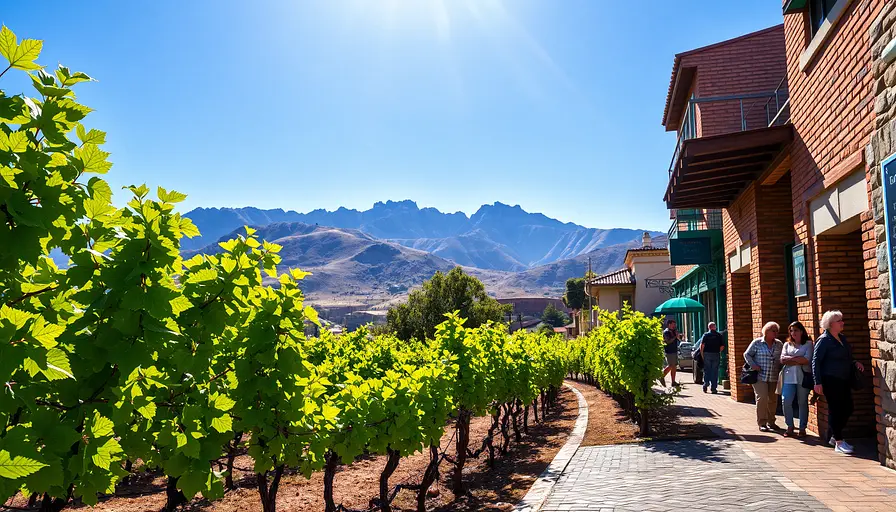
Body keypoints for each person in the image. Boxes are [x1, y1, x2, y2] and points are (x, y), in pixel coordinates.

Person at [813, 310, 865, 455]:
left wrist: (854, 363)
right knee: (836, 410)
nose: (842, 323)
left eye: (842, 320)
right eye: (839, 321)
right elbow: (816, 361)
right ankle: (839, 442)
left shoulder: (842, 338)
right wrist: (817, 382)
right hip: (831, 380)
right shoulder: (824, 340)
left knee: (848, 408)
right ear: (830, 324)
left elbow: (847, 357)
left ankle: (834, 435)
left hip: (844, 379)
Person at [744, 322, 784, 432]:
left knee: (773, 399)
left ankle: (771, 422)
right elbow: (747, 354)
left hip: (773, 376)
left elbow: (782, 357)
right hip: (759, 376)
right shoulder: (757, 343)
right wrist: (753, 365)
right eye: (773, 331)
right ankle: (762, 422)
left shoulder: (779, 344)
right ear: (766, 331)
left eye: (777, 331)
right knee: (762, 398)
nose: (776, 333)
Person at [779, 321, 812, 438]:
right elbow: (782, 360)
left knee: (802, 402)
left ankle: (802, 428)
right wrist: (798, 359)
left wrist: (791, 359)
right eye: (791, 331)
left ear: (801, 331)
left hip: (803, 377)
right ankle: (790, 426)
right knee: (786, 400)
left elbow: (807, 359)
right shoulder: (787, 345)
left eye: (796, 330)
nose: (793, 333)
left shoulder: (808, 344)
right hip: (788, 377)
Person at [698, 322, 725, 394]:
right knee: (715, 371)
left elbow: (702, 345)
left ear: (708, 327)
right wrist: (717, 351)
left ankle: (706, 383)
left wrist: (702, 354)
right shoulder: (719, 335)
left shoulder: (706, 335)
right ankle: (713, 388)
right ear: (715, 327)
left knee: (707, 370)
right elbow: (722, 346)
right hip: (716, 354)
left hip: (707, 354)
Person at [661, 318, 682, 387]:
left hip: (674, 350)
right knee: (670, 365)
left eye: (675, 325)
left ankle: (673, 381)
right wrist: (675, 336)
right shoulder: (666, 332)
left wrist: (678, 336)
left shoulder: (674, 331)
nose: (674, 326)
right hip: (669, 351)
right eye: (673, 325)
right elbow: (668, 341)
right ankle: (661, 376)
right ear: (669, 325)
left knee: (674, 366)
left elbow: (679, 339)